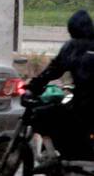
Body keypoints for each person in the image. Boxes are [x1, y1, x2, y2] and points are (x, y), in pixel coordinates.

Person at [26, 9, 94, 163]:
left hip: (83, 105)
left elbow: (53, 70)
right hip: (86, 106)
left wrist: (33, 86)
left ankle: (56, 158)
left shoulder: (74, 47)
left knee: (41, 115)